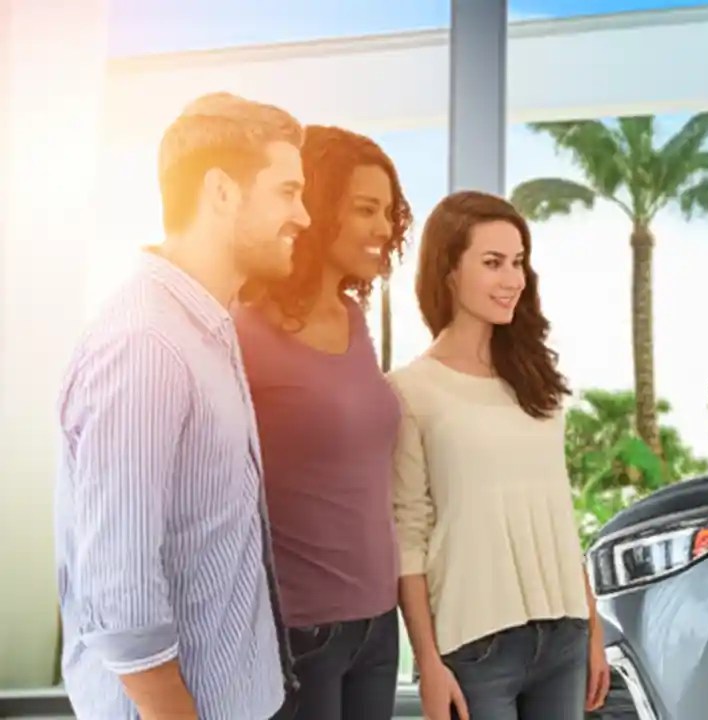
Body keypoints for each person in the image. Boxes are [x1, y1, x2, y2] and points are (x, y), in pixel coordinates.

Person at [53, 92, 311, 720]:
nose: (302, 216)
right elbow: (121, 599)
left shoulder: (206, 328)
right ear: (221, 192)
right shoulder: (146, 344)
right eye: (287, 192)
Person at [388, 190, 610, 720]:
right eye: (492, 263)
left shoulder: (537, 383)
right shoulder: (410, 390)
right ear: (448, 271)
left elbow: (559, 509)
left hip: (565, 636)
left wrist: (593, 629)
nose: (512, 279)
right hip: (474, 648)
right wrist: (427, 661)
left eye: (518, 263)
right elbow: (408, 535)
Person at [234, 125, 414, 719]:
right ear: (316, 205)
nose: (383, 227)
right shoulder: (244, 325)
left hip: (377, 624)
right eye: (365, 209)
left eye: (388, 212)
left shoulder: (354, 318)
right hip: (300, 633)